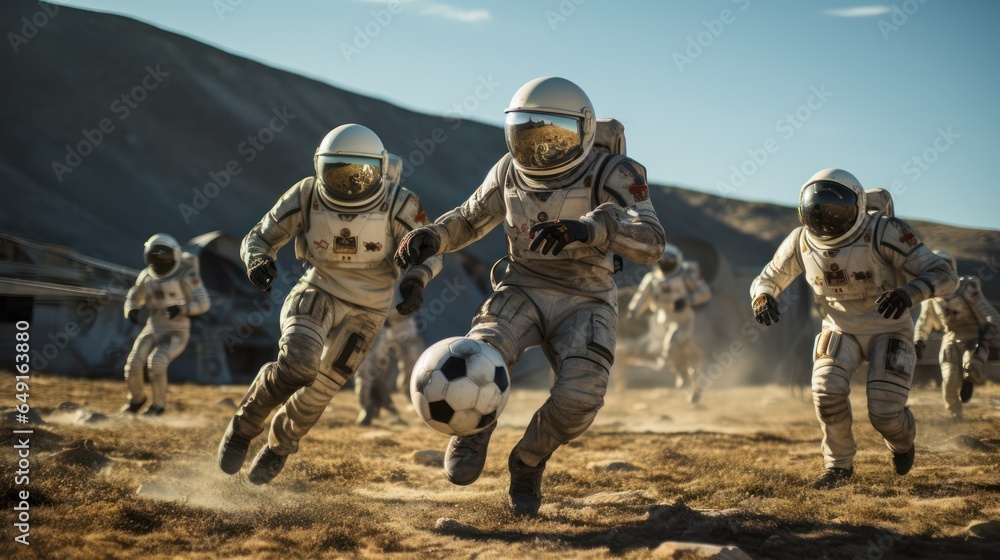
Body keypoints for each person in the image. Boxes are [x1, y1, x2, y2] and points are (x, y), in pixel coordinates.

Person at [395, 77, 666, 516]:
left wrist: (592, 228)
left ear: (582, 130)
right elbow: (470, 217)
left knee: (580, 397)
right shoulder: (508, 170)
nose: (540, 148)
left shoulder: (615, 172)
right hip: (521, 285)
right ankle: (473, 427)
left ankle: (527, 462)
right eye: (527, 133)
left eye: (554, 136)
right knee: (481, 352)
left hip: (587, 296)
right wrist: (433, 236)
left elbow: (652, 241)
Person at [217, 124, 441, 484]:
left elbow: (429, 249)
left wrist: (417, 278)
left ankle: (279, 445)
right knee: (298, 366)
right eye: (338, 173)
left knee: (318, 393)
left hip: (368, 311)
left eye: (360, 175)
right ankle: (244, 426)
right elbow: (260, 235)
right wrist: (258, 258)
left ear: (380, 170)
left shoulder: (400, 203)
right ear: (319, 167)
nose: (349, 184)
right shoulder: (307, 195)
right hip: (318, 290)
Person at [750, 168, 956, 488]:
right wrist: (763, 297)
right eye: (817, 210)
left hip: (889, 328)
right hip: (839, 328)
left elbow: (943, 274)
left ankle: (902, 442)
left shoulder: (884, 230)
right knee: (825, 392)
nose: (826, 218)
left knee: (885, 412)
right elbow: (769, 276)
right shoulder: (802, 241)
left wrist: (908, 293)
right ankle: (838, 467)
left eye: (835, 209)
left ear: (858, 205)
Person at [122, 233, 210, 416]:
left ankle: (158, 406)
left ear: (175, 256)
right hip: (154, 325)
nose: (159, 262)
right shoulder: (147, 276)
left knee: (157, 361)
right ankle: (136, 400)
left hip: (178, 329)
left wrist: (182, 309)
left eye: (163, 257)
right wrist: (131, 308)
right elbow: (134, 295)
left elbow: (204, 304)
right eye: (155, 258)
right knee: (134, 363)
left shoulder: (186, 274)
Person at [914, 250, 998, 419]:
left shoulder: (968, 286)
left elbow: (987, 310)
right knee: (949, 375)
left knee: (971, 367)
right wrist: (919, 340)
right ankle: (954, 413)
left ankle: (971, 380)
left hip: (973, 335)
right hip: (950, 336)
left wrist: (989, 326)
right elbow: (925, 320)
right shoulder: (931, 297)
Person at [625, 244, 712, 402]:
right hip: (663, 322)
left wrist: (688, 300)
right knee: (681, 354)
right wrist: (633, 311)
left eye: (668, 263)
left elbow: (705, 292)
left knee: (674, 348)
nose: (665, 267)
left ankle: (686, 380)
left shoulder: (686, 273)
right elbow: (641, 297)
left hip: (684, 320)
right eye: (662, 263)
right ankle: (689, 386)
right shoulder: (652, 279)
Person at [355, 290, 425, 426]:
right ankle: (367, 406)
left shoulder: (405, 270)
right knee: (367, 369)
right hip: (379, 323)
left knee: (413, 370)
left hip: (404, 322)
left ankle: (417, 407)